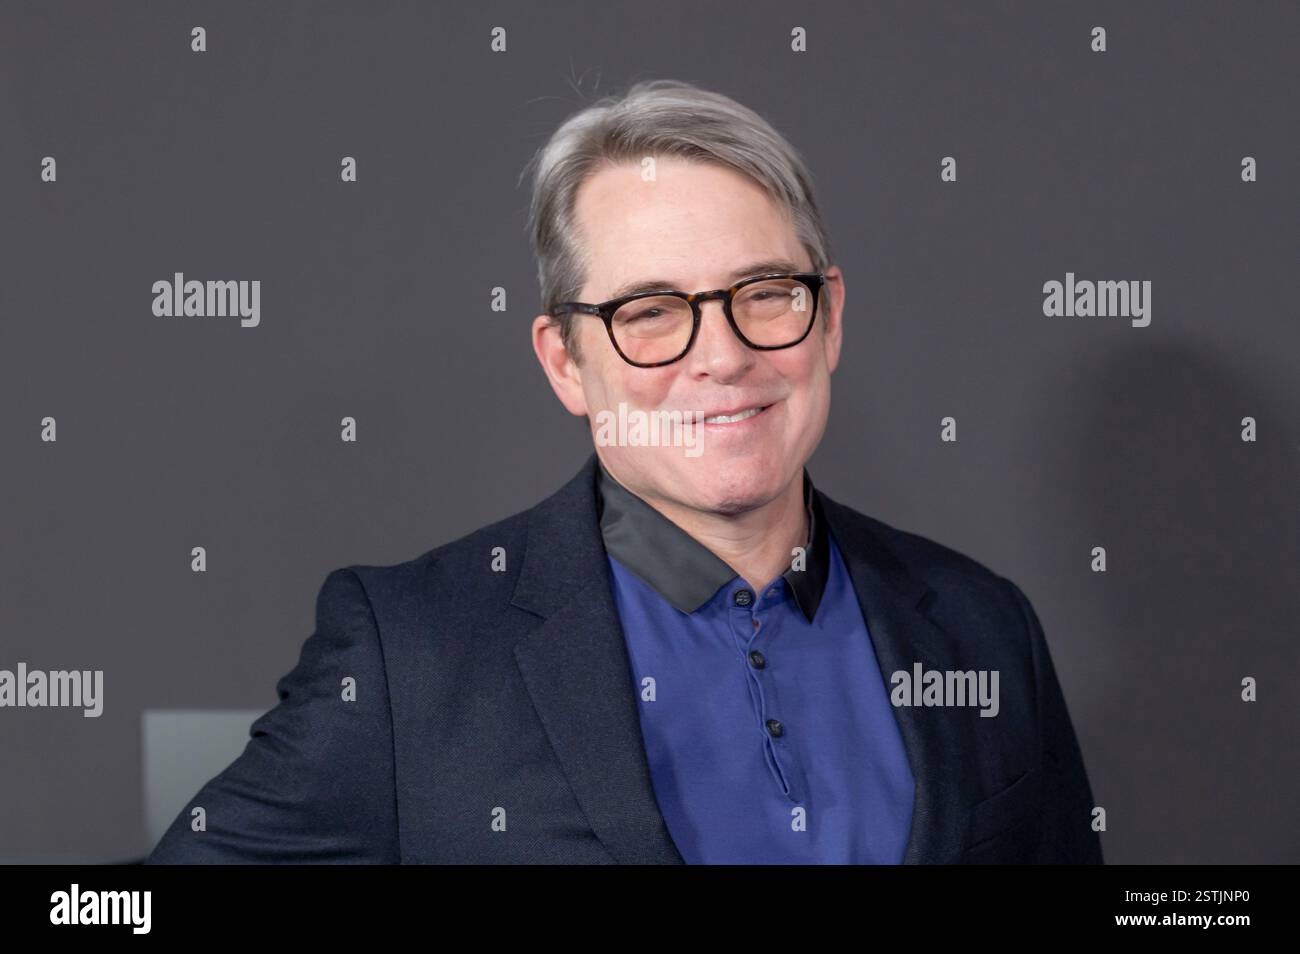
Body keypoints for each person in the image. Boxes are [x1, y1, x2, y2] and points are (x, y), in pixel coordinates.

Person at [146, 79, 1102, 864]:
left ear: (831, 316)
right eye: (650, 312)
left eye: (765, 295)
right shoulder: (410, 656)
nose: (722, 356)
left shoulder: (981, 626)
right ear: (565, 360)